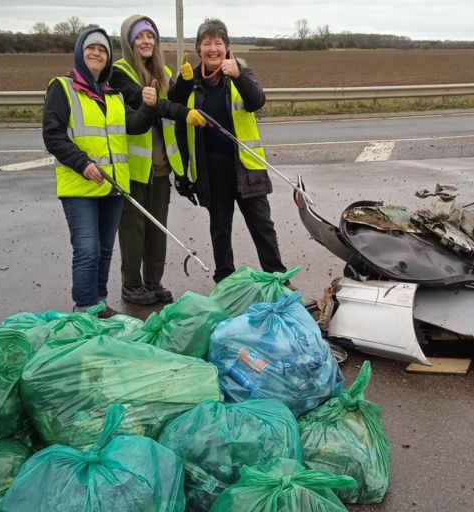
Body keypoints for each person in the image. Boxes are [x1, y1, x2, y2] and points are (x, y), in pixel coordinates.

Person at [42, 27, 159, 317]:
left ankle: (99, 304)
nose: (96, 53)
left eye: (103, 50)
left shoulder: (113, 95)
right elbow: (53, 135)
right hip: (80, 187)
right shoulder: (62, 87)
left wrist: (148, 107)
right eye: (90, 48)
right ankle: (84, 309)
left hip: (113, 187)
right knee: (87, 251)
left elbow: (134, 126)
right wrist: (82, 163)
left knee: (105, 250)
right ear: (80, 53)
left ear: (108, 59)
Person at [168, 18, 289, 284]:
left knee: (262, 226)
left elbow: (256, 101)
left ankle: (278, 278)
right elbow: (175, 116)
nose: (213, 48)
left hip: (246, 167)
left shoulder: (241, 72)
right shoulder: (189, 79)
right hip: (210, 170)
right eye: (207, 43)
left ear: (227, 47)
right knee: (220, 230)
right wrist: (183, 173)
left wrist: (238, 75)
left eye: (218, 43)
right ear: (199, 48)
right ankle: (225, 281)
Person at [109, 15, 207, 306]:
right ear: (129, 41)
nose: (146, 41)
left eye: (150, 36)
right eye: (139, 36)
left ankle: (153, 280)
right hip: (134, 167)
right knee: (132, 228)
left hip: (161, 164)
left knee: (157, 228)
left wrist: (184, 84)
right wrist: (182, 112)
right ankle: (131, 284)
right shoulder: (119, 72)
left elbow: (169, 100)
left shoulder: (161, 70)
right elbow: (148, 104)